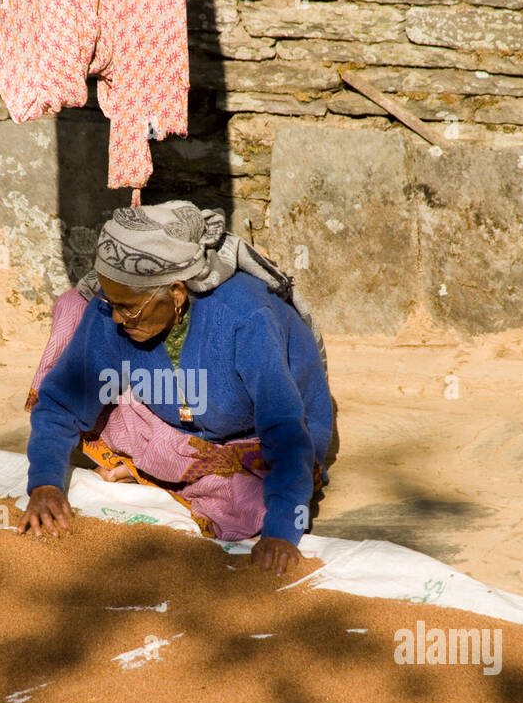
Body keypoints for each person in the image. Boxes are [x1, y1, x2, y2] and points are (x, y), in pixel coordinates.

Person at [17, 200, 333, 574]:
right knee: (74, 307)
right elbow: (60, 402)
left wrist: (281, 532)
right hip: (176, 415)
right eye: (112, 303)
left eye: (128, 308)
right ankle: (164, 464)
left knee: (248, 499)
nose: (117, 319)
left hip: (257, 433)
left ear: (177, 293)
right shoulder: (113, 313)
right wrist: (44, 483)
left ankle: (162, 467)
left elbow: (286, 432)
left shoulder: (245, 319)